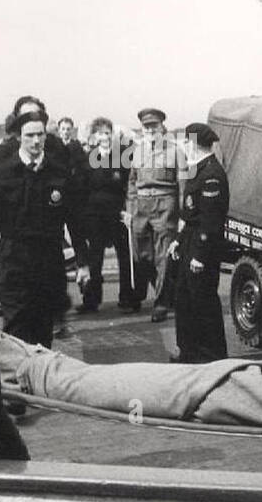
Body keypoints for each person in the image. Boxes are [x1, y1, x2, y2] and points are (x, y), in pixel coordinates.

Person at [0, 112, 89, 347]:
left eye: (40, 135)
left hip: (49, 261)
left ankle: (39, 382)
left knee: (43, 333)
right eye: (30, 135)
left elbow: (75, 222)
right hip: (13, 263)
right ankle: (16, 383)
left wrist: (83, 263)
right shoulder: (1, 175)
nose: (36, 141)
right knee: (16, 333)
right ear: (19, 137)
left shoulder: (59, 173)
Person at [168, 122, 229, 366]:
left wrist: (200, 256)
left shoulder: (212, 174)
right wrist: (178, 242)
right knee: (185, 300)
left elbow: (210, 221)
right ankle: (189, 353)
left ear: (193, 144)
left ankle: (212, 358)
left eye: (185, 142)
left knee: (203, 303)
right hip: (190, 242)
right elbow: (189, 215)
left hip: (202, 247)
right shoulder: (198, 170)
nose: (184, 146)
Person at [75, 117, 134, 313]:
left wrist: (127, 210)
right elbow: (82, 189)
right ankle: (92, 300)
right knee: (95, 258)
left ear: (113, 135)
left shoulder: (122, 158)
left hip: (117, 213)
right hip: (95, 215)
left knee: (124, 256)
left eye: (108, 133)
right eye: (101, 133)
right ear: (94, 136)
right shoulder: (87, 158)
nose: (105, 137)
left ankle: (126, 298)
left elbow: (129, 185)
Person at [125, 107, 178, 321]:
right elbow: (131, 182)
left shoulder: (175, 151)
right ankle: (165, 292)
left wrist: (181, 215)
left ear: (162, 128)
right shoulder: (136, 152)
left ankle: (161, 303)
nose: (149, 131)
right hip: (140, 207)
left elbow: (182, 184)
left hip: (165, 205)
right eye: (146, 127)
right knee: (142, 257)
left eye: (153, 127)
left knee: (163, 256)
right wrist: (129, 209)